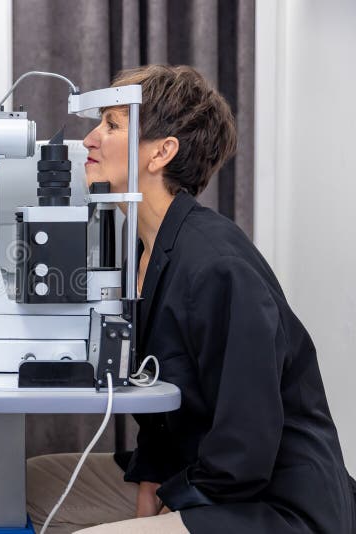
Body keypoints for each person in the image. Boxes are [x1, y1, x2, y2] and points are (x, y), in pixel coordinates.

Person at [26, 65, 356, 534]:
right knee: (33, 482)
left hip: (273, 502)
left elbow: (246, 442)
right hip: (199, 471)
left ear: (161, 152)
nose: (89, 140)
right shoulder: (144, 250)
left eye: (112, 125)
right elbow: (167, 402)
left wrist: (178, 502)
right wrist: (151, 475)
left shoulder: (217, 266)